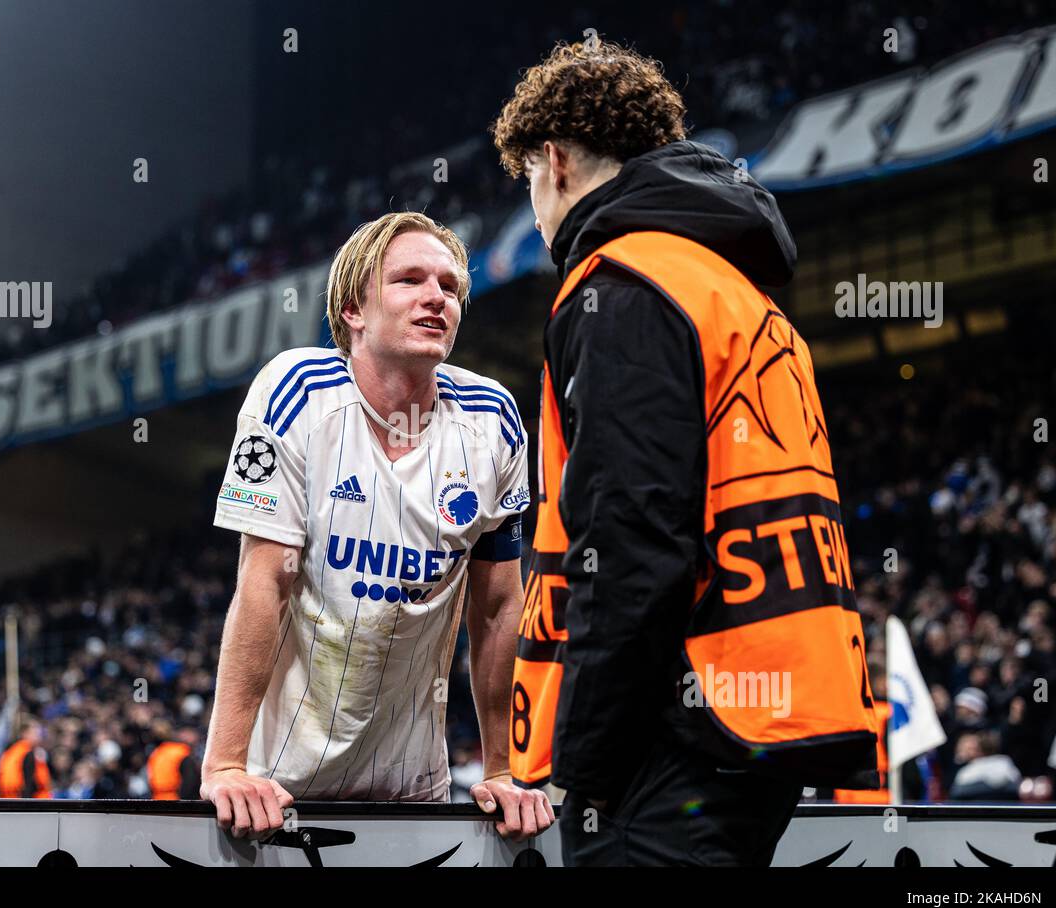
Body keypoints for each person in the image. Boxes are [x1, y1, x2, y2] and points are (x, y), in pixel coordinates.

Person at [492, 40, 878, 865]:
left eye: (527, 181)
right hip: (753, 717)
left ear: (554, 161)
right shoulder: (730, 285)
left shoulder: (620, 284)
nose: (534, 208)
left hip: (672, 736)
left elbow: (631, 536)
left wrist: (585, 766)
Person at [201, 211, 553, 841]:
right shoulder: (295, 392)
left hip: (412, 789)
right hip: (274, 787)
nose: (435, 297)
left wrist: (503, 768)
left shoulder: (494, 419)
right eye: (409, 279)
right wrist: (225, 763)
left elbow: (499, 606)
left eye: (449, 286)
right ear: (353, 311)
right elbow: (267, 579)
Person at [0, 721, 52, 798]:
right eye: (35, 733)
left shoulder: (12, 751)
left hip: (10, 798)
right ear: (25, 733)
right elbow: (29, 784)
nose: (38, 737)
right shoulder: (28, 754)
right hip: (24, 801)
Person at [148, 727, 202, 800]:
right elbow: (190, 781)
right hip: (176, 802)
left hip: (157, 800)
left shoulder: (156, 753)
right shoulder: (181, 752)